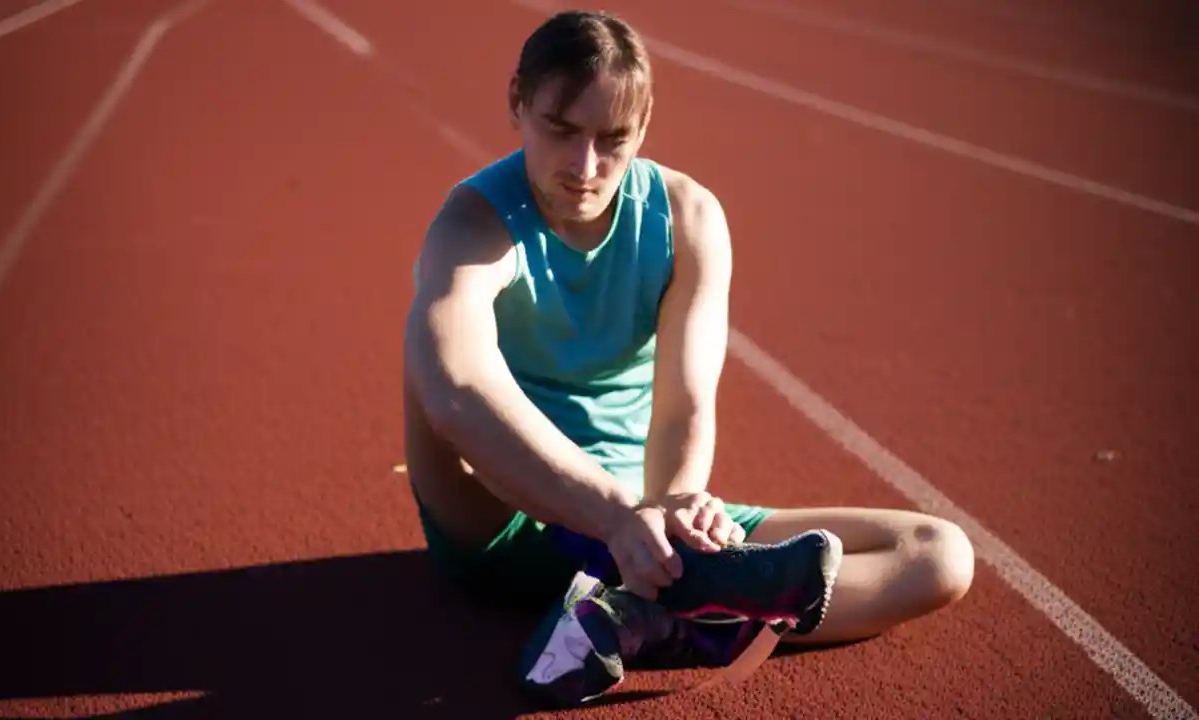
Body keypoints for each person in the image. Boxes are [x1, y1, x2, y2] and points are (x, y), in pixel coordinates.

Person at [402, 8, 975, 706]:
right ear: (517, 101)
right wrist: (615, 515)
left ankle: (641, 619)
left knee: (939, 555)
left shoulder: (689, 216)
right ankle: (698, 604)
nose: (586, 167)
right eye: (561, 131)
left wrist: (673, 509)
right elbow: (456, 389)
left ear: (644, 127)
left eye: (613, 140)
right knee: (431, 349)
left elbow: (686, 398)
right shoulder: (473, 224)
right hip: (504, 516)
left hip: (640, 519)